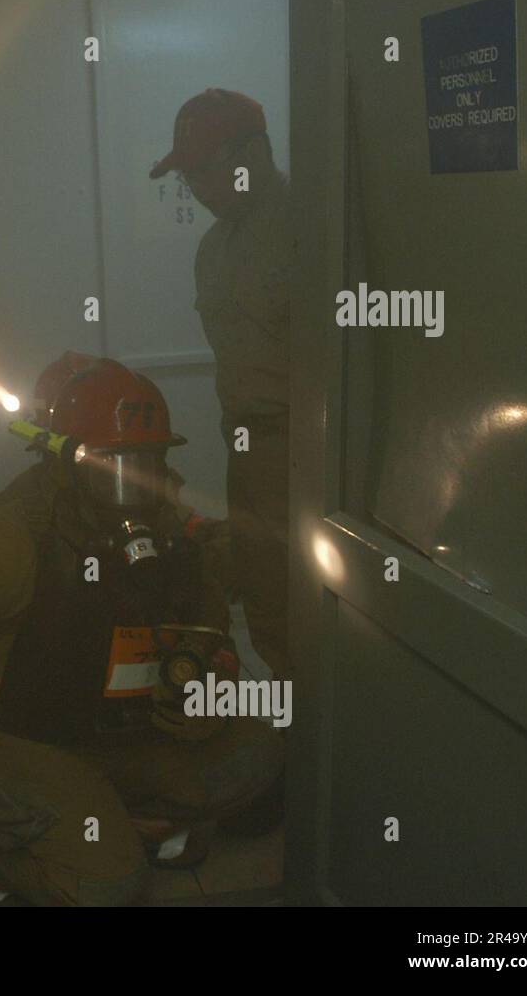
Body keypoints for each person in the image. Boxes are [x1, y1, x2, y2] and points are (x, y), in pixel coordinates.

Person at [0, 359, 283, 906]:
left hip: (111, 722)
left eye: (144, 463)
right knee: (107, 884)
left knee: (256, 754)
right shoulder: (14, 536)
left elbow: (207, 623)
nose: (132, 485)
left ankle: (104, 813)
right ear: (67, 465)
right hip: (17, 732)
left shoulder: (169, 528)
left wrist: (207, 678)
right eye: (111, 467)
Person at [150, 88, 293, 680]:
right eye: (188, 178)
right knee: (265, 605)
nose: (199, 191)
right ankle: (295, 740)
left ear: (254, 153)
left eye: (205, 171)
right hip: (248, 447)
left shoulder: (313, 231)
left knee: (319, 608)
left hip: (306, 449)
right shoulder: (212, 250)